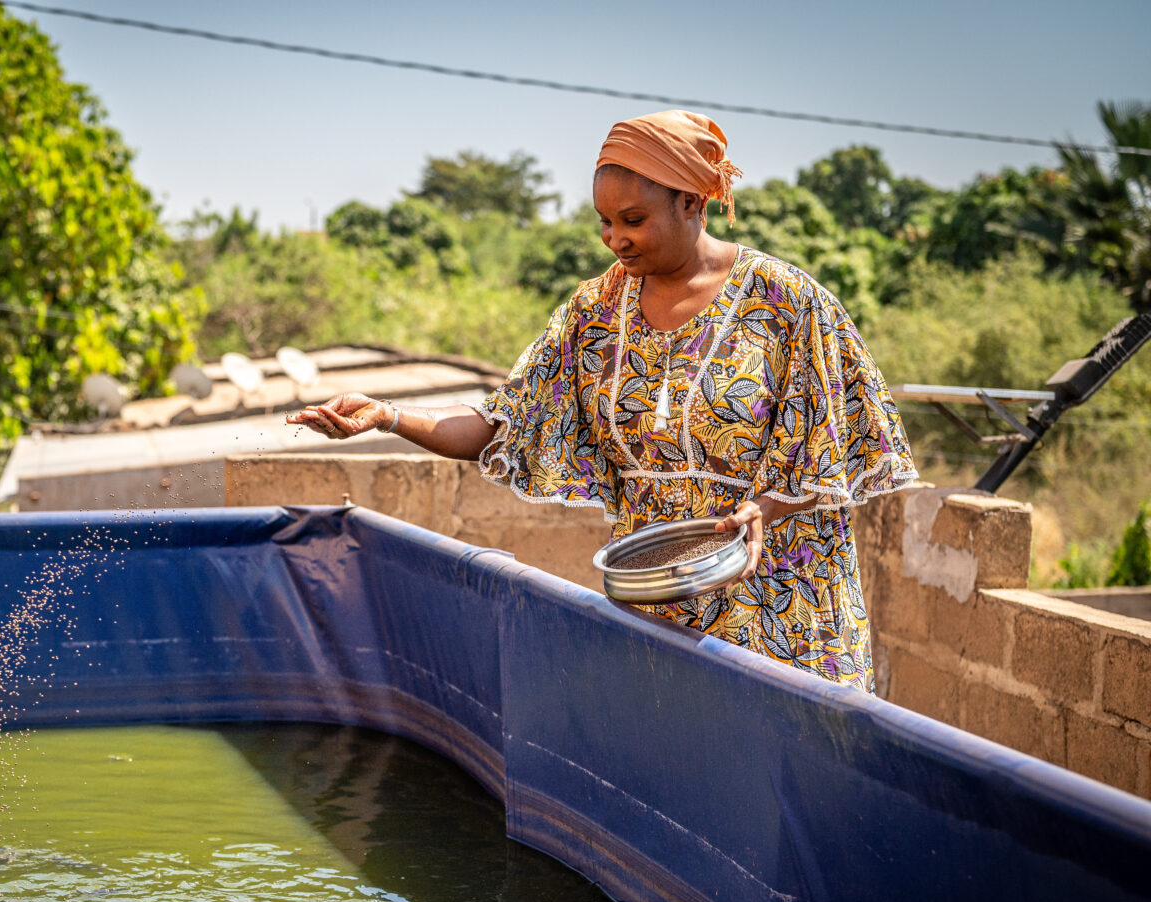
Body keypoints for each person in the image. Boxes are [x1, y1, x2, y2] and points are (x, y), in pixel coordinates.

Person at [287, 110, 917, 692]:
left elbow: (847, 446)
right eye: (605, 223)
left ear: (692, 201)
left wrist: (769, 506)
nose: (615, 238)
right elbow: (502, 422)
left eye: (633, 220)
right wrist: (389, 416)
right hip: (656, 608)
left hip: (784, 609)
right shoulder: (593, 313)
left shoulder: (786, 303)